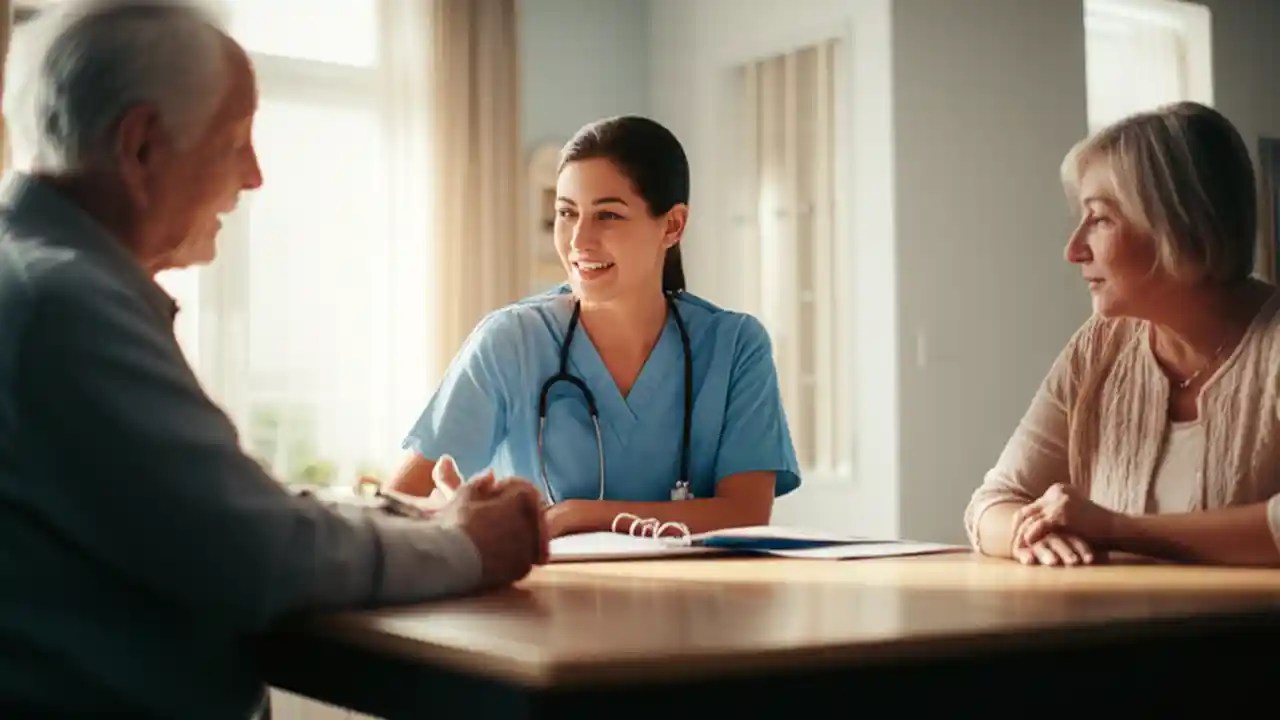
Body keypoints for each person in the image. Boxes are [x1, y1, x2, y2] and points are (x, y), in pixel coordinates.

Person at [0, 2, 545, 717]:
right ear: (140, 148)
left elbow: (212, 508)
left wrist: (424, 524)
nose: (254, 177)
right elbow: (258, 554)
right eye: (236, 141)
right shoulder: (62, 307)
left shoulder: (37, 280)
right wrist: (469, 547)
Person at [388, 115, 801, 538]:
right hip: (538, 601)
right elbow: (399, 503)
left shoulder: (734, 347)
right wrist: (456, 519)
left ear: (672, 225)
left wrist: (578, 514)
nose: (579, 240)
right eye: (567, 213)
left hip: (698, 601)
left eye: (608, 215)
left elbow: (746, 513)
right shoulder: (512, 342)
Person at [965, 101, 1280, 568]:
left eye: (1101, 219)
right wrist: (1029, 532)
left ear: (1179, 226)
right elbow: (992, 502)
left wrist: (1116, 529)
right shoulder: (1098, 346)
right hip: (1118, 634)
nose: (1074, 250)